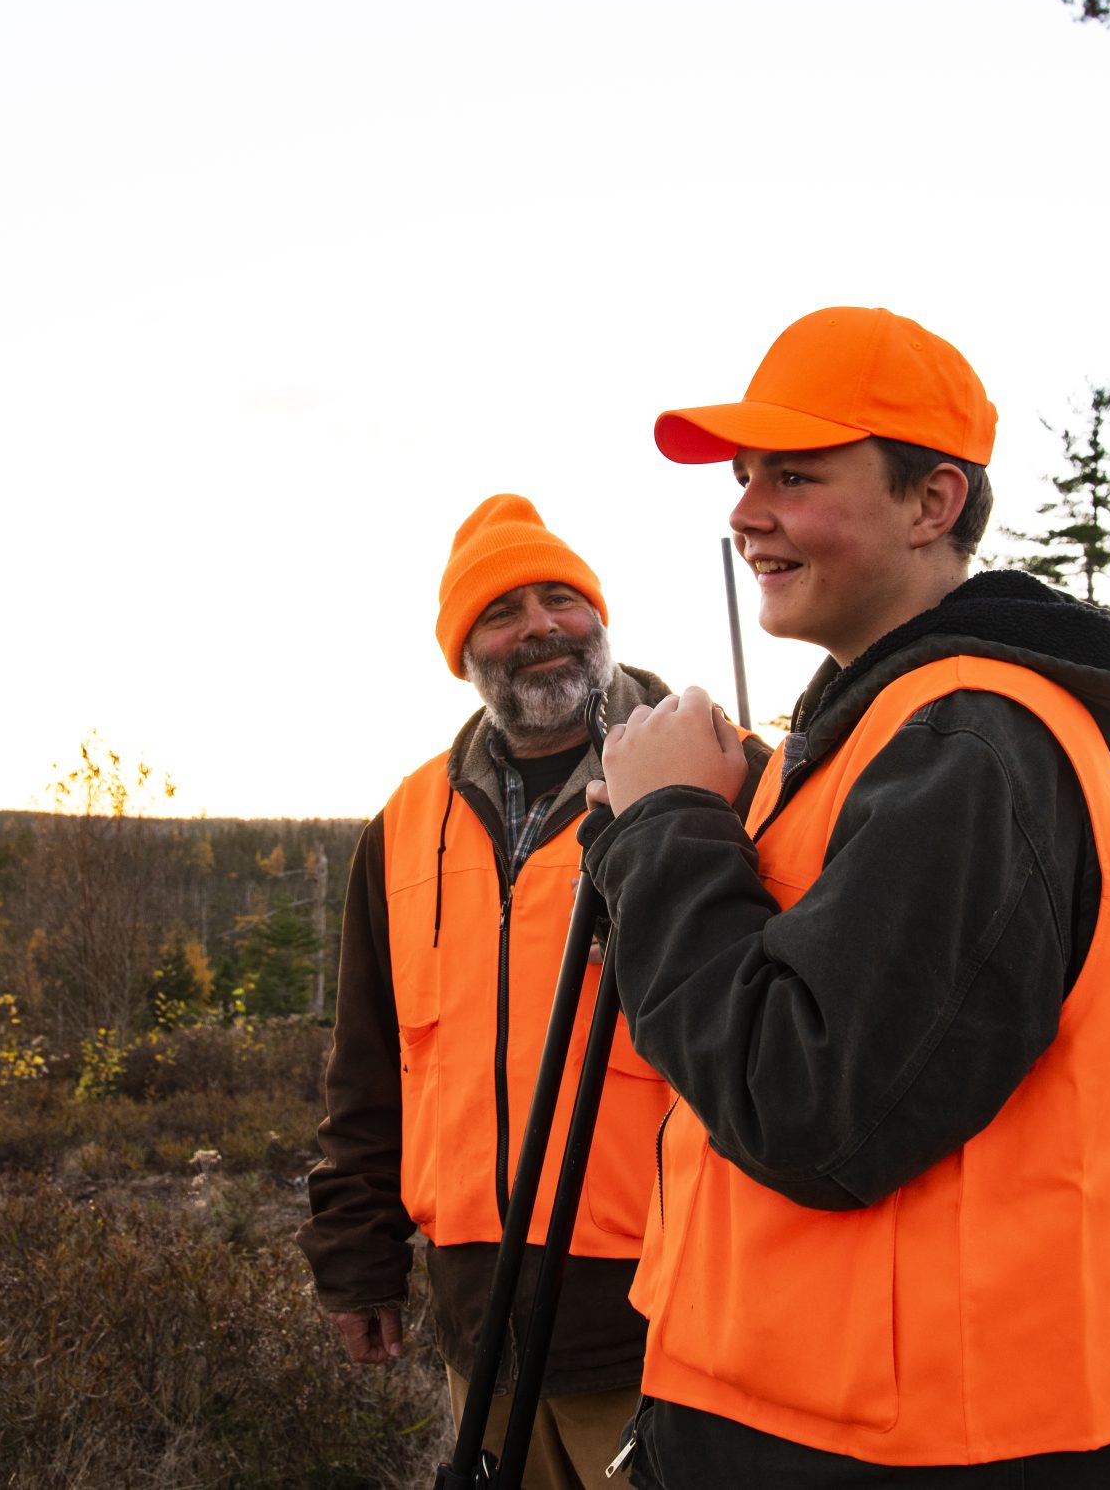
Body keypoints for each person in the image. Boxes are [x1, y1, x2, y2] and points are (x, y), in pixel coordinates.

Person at [578, 307, 1110, 1487]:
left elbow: (806, 1102)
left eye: (794, 475)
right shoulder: (880, 732)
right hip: (805, 1411)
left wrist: (665, 828)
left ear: (932, 502)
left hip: (922, 1444)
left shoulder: (974, 740)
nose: (746, 510)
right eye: (746, 475)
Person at [298, 493, 766, 1490]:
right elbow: (371, 1062)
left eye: (562, 597)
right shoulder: (408, 820)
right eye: (502, 612)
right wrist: (355, 1253)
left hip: (671, 1306)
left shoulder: (718, 770)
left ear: (599, 617)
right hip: (478, 1317)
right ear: (464, 649)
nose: (541, 626)